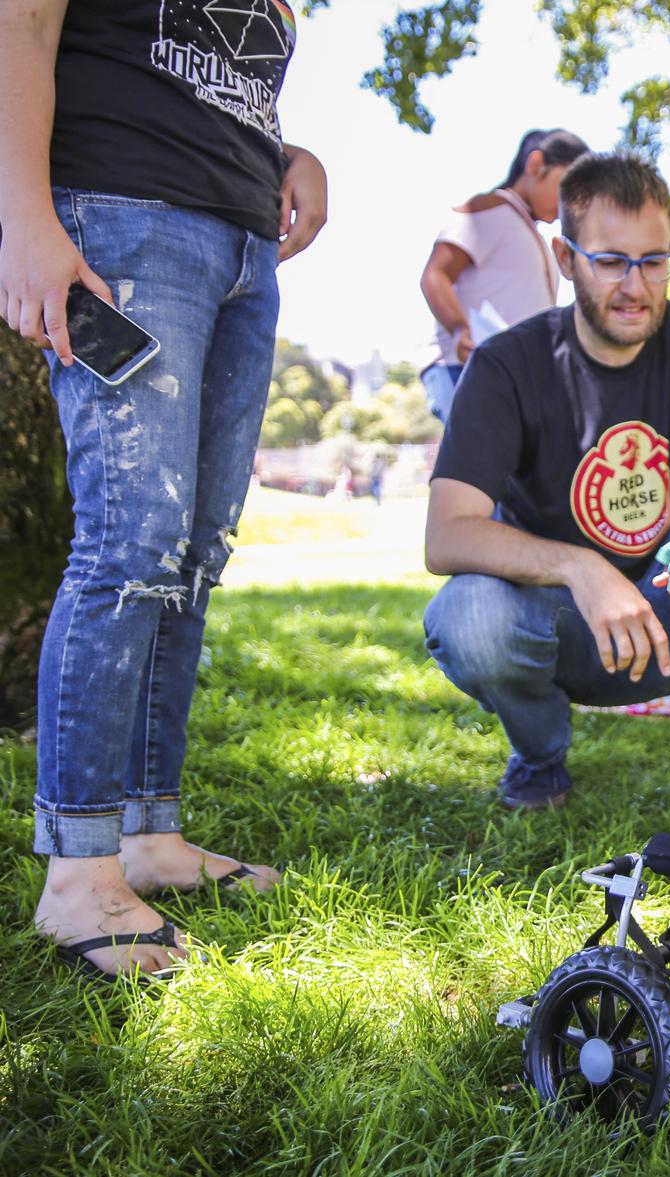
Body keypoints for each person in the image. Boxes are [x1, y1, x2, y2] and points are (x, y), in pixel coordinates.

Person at [0, 0, 326, 980]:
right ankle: (79, 869)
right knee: (130, 545)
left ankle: (148, 836)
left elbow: (195, 77)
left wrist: (287, 154)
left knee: (190, 558)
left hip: (241, 249)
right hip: (122, 215)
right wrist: (22, 216)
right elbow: (24, 22)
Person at [422, 152, 670, 811]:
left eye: (655, 260)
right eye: (611, 260)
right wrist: (581, 568)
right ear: (566, 256)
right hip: (559, 627)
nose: (635, 285)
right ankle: (541, 758)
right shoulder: (505, 364)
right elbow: (447, 533)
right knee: (468, 615)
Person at [418, 128, 590, 421]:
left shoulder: (528, 229)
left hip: (511, 376)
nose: (570, 204)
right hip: (464, 369)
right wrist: (459, 329)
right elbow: (435, 274)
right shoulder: (491, 208)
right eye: (567, 186)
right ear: (536, 165)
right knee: (476, 462)